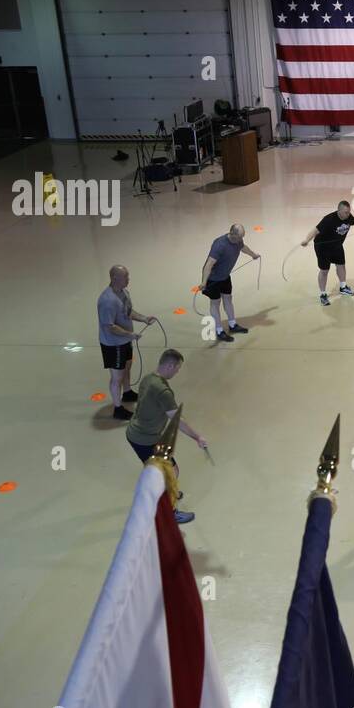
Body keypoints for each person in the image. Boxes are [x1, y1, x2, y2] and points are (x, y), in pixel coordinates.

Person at [126, 349, 209, 525]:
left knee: (168, 470)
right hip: (145, 439)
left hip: (139, 434)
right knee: (169, 473)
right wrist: (197, 437)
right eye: (177, 368)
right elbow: (177, 419)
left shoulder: (148, 378)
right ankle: (170, 513)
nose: (177, 372)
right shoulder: (163, 391)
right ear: (170, 365)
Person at [97, 265, 159, 421]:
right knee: (116, 376)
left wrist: (144, 318)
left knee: (127, 367)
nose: (128, 279)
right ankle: (118, 409)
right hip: (113, 344)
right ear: (114, 278)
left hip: (125, 340)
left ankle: (127, 392)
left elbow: (128, 311)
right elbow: (109, 327)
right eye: (125, 277)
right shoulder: (107, 301)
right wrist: (130, 335)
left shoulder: (124, 293)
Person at [300, 200, 354, 306]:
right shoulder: (329, 219)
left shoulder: (348, 217)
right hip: (323, 248)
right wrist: (306, 240)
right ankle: (323, 294)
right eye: (345, 212)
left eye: (349, 212)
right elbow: (315, 230)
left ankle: (343, 287)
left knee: (341, 265)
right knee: (324, 271)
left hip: (337, 246)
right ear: (339, 211)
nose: (348, 214)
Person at [200, 224, 260, 343]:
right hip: (213, 279)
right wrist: (203, 282)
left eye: (242, 237)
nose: (240, 240)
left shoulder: (238, 241)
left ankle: (232, 325)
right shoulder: (219, 245)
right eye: (239, 237)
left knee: (228, 299)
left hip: (225, 277)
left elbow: (243, 247)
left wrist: (253, 255)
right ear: (232, 233)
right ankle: (219, 330)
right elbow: (209, 264)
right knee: (215, 303)